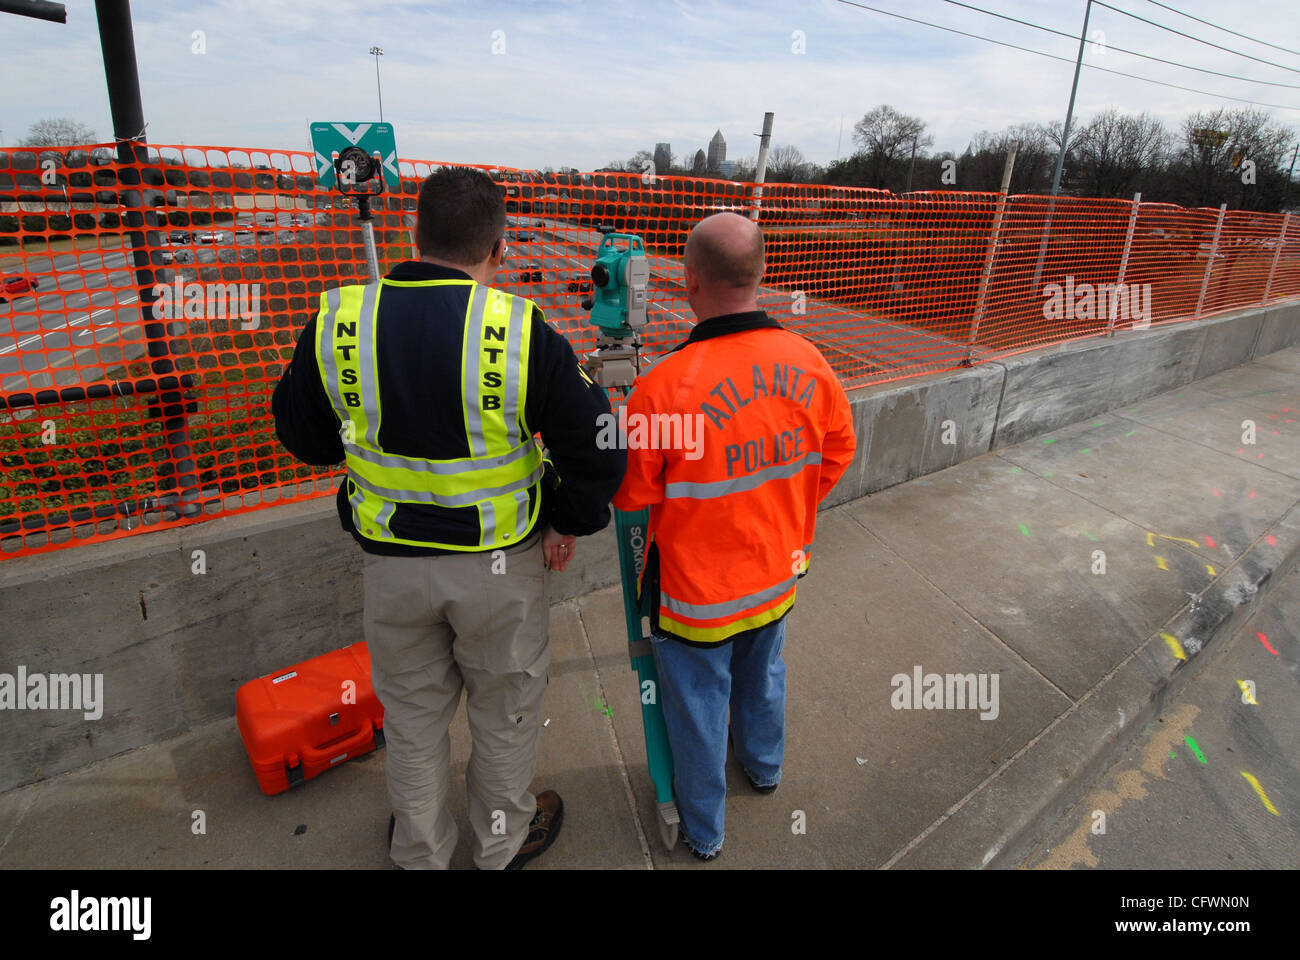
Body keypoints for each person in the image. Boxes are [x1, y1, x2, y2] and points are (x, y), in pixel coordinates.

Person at [272, 166, 625, 869]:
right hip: (499, 570)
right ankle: (498, 846)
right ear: (499, 250)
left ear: (412, 232)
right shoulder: (523, 331)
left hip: (391, 568)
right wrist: (564, 519)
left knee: (411, 719)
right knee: (504, 716)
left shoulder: (341, 316)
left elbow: (301, 436)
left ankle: (420, 850)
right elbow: (600, 451)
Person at [612, 212, 856, 860]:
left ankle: (705, 830)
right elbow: (838, 451)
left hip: (695, 599)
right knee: (764, 675)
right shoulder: (809, 361)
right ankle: (766, 768)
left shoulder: (662, 388)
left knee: (696, 711)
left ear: (688, 280)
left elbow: (632, 494)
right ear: (762, 273)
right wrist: (786, 505)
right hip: (777, 573)